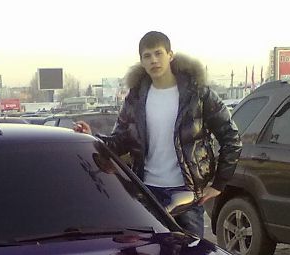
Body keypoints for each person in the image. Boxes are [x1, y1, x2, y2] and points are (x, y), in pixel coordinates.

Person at [74, 31, 241, 238]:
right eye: (147, 56)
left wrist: (218, 185)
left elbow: (231, 138)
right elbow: (120, 141)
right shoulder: (135, 98)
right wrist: (92, 137)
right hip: (147, 192)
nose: (153, 60)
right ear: (142, 62)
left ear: (170, 55)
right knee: (149, 253)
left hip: (187, 194)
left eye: (158, 53)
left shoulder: (198, 94)